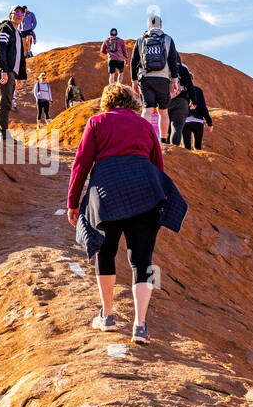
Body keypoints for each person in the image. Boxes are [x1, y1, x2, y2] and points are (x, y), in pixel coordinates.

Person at [67, 84, 187, 345]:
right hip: (145, 191)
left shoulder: (97, 122)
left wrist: (73, 202)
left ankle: (108, 316)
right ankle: (140, 325)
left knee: (106, 251)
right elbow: (158, 165)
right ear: (132, 103)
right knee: (142, 260)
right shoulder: (145, 125)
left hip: (107, 193)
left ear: (108, 102)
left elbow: (81, 164)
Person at [129, 10, 184, 142]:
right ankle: (163, 141)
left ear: (148, 26)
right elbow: (173, 61)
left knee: (147, 110)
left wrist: (134, 81)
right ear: (161, 26)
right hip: (163, 78)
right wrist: (175, 80)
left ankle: (144, 138)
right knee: (163, 111)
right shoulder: (168, 39)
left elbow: (134, 61)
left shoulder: (141, 39)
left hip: (145, 78)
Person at [0, 6, 26, 135]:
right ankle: (3, 134)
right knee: (5, 102)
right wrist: (4, 70)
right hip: (4, 70)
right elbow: (0, 49)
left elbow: (20, 57)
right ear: (10, 14)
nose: (19, 15)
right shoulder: (5, 28)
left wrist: (20, 76)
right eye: (16, 12)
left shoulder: (17, 33)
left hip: (12, 72)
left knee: (4, 101)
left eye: (22, 13)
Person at [182, 80, 213, 150]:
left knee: (186, 148)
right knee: (198, 147)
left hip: (186, 121)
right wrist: (209, 123)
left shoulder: (181, 91)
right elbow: (203, 107)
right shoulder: (198, 90)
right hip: (198, 121)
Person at [167, 75, 190, 147]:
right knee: (176, 127)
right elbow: (190, 89)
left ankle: (163, 146)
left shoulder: (164, 68)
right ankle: (173, 148)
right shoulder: (183, 70)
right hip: (181, 101)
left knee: (164, 125)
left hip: (165, 100)